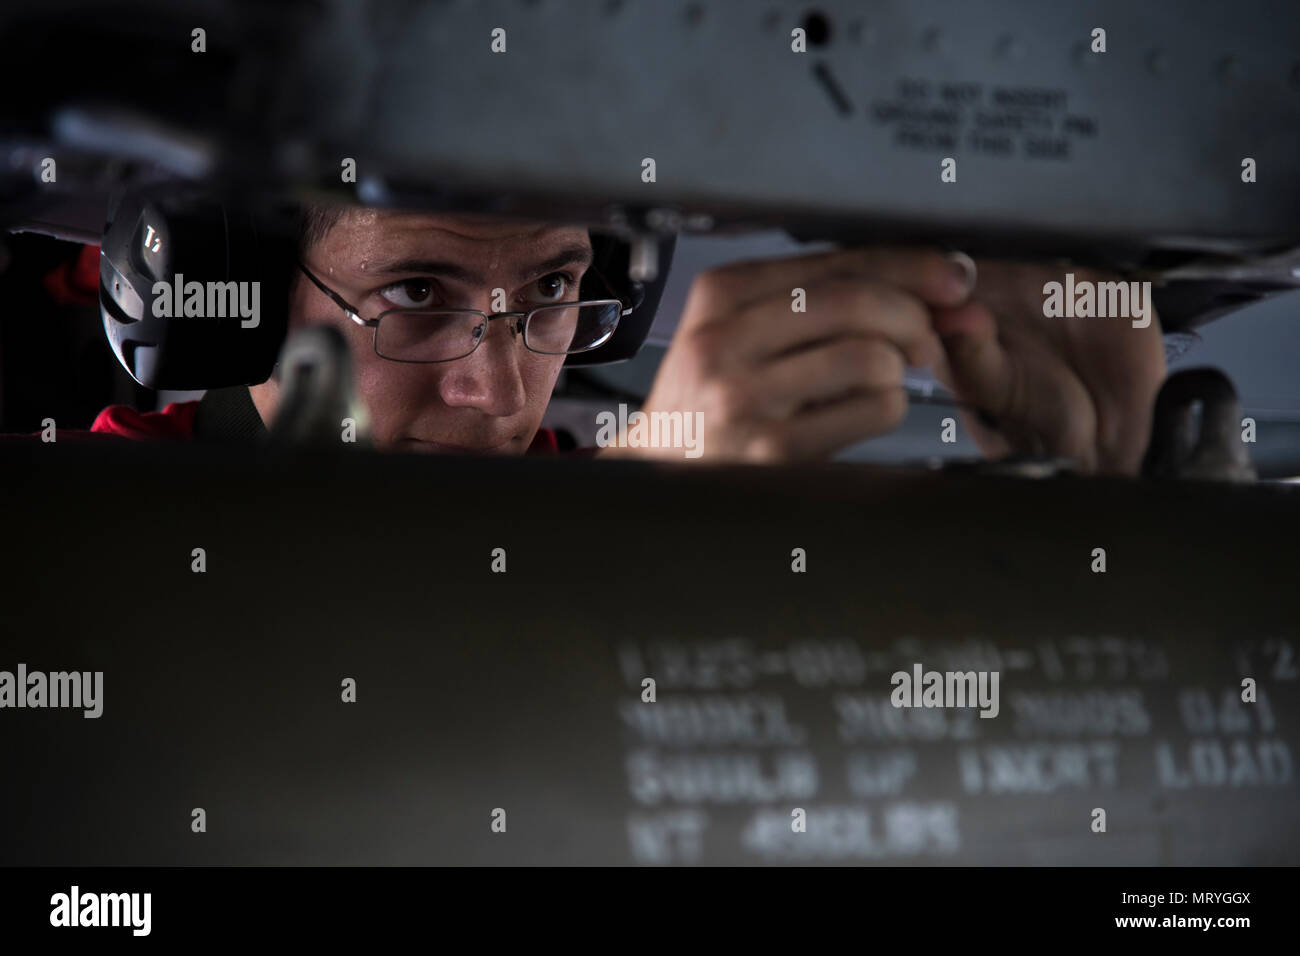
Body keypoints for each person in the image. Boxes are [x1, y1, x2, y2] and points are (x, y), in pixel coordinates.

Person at [92, 204, 1166, 473]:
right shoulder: (90, 531)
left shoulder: (571, 494)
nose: (499, 391)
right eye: (418, 289)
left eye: (553, 287)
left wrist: (1066, 515)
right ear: (238, 295)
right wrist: (657, 528)